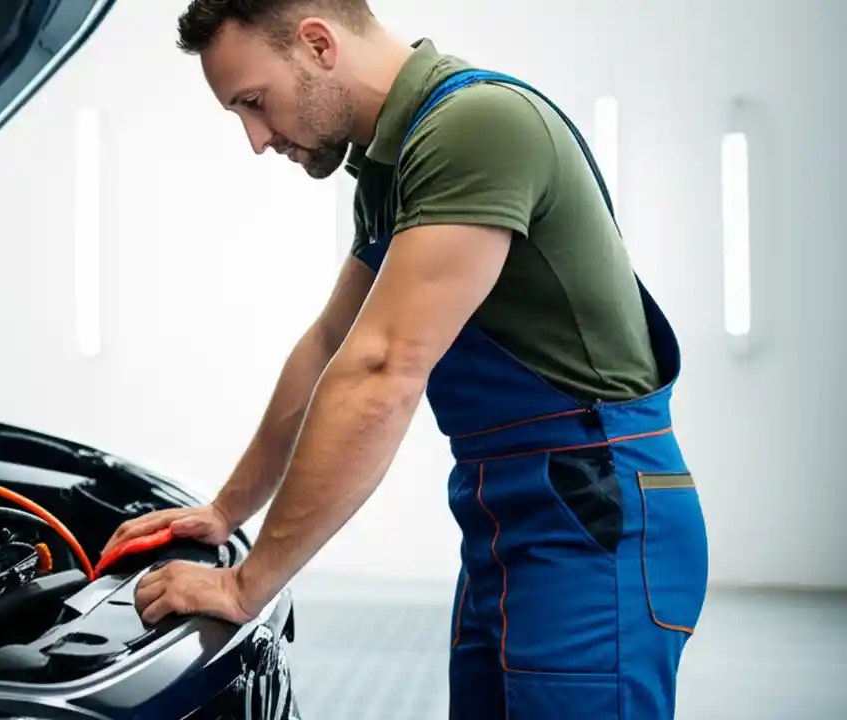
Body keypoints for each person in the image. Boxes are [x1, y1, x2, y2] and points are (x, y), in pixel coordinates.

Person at [102, 1, 709, 717]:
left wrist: (247, 584)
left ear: (318, 44)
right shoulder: (392, 169)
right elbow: (329, 347)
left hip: (594, 515)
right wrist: (227, 509)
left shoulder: (476, 127)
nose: (257, 140)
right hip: (506, 517)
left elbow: (383, 370)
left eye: (255, 102)